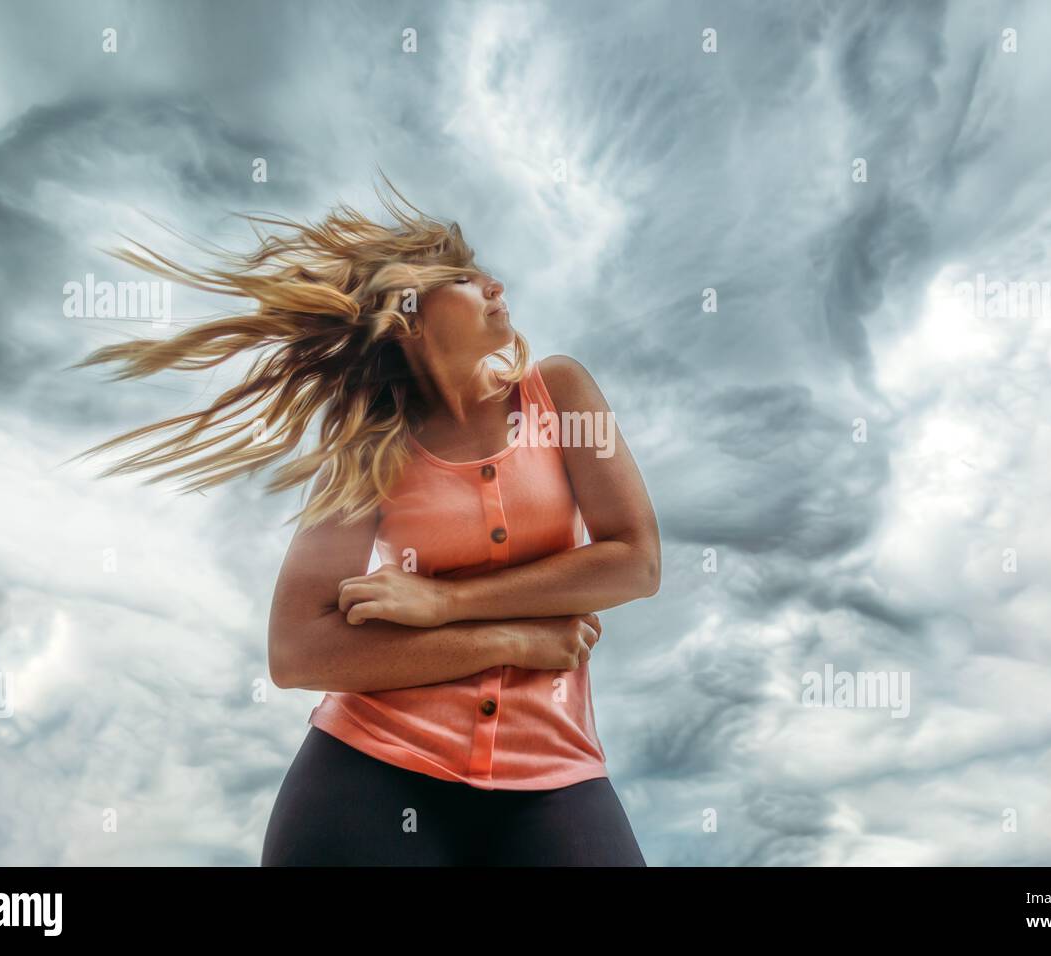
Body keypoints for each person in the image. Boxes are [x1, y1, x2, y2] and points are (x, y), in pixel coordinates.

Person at [66, 174, 660, 865]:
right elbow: (297, 652)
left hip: (555, 771)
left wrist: (446, 601)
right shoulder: (369, 450)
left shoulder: (559, 392)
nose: (494, 285)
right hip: (368, 772)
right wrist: (510, 640)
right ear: (408, 317)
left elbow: (634, 560)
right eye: (464, 281)